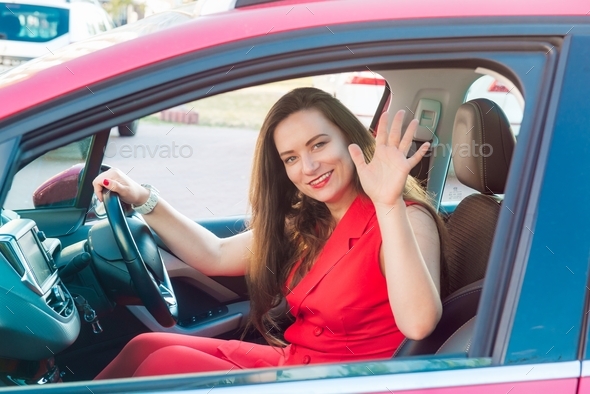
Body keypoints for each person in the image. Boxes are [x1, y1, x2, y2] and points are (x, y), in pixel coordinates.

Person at [92, 87, 448, 379]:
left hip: (343, 380)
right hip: (298, 362)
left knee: (163, 367)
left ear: (349, 140)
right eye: (291, 158)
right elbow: (214, 254)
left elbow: (418, 324)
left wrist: (387, 203)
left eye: (319, 144)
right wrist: (142, 197)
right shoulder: (309, 221)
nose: (308, 167)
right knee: (146, 346)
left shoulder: (407, 218)